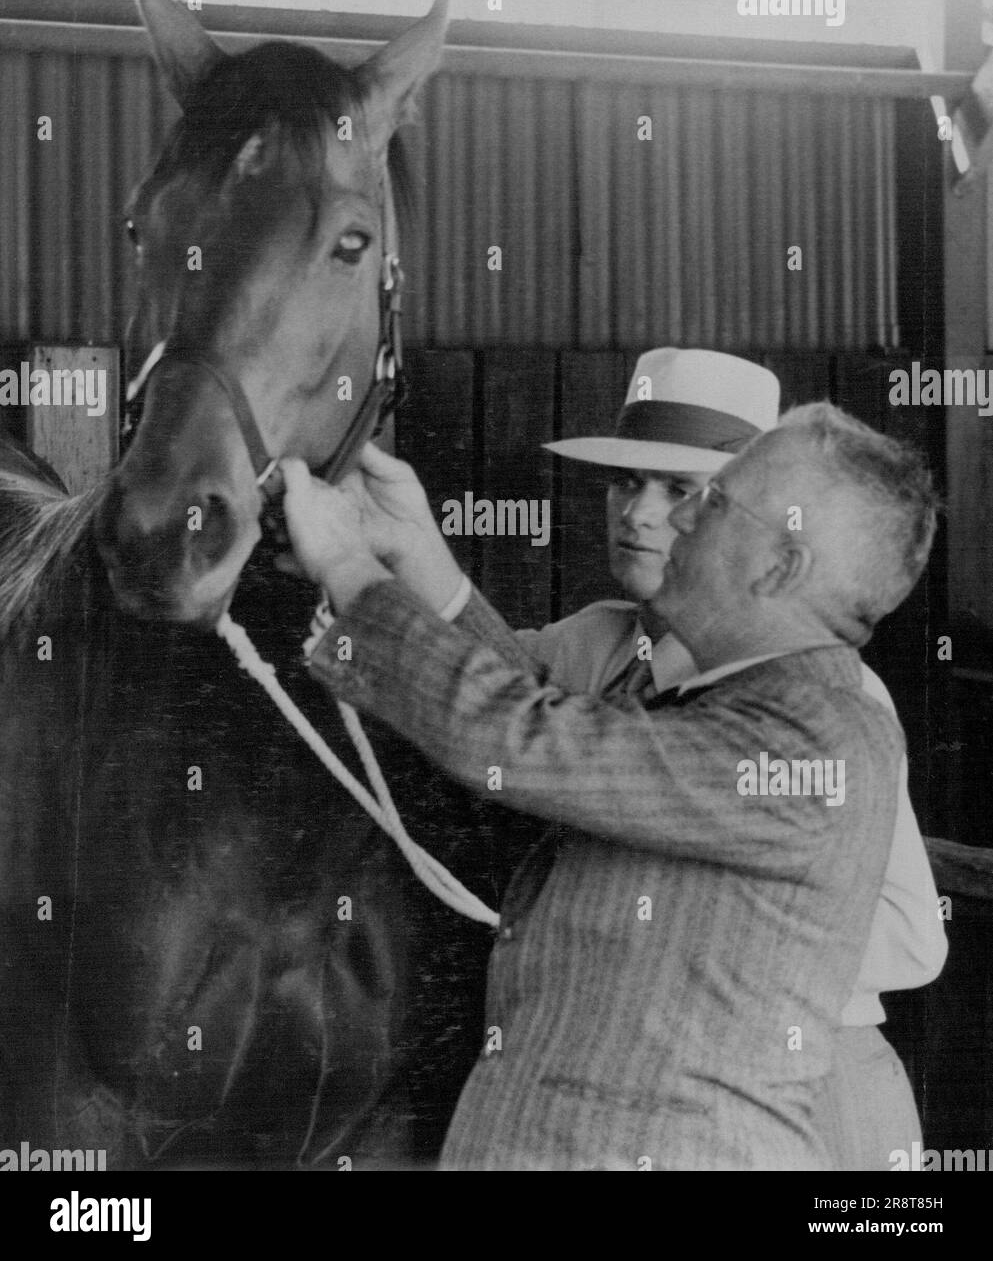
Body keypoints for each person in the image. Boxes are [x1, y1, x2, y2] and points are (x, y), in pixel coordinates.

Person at [280, 391, 940, 1170]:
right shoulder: (705, 695)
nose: (674, 519)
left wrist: (350, 569)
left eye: (710, 501)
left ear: (780, 567)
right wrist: (411, 547)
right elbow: (555, 718)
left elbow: (533, 741)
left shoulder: (811, 736)